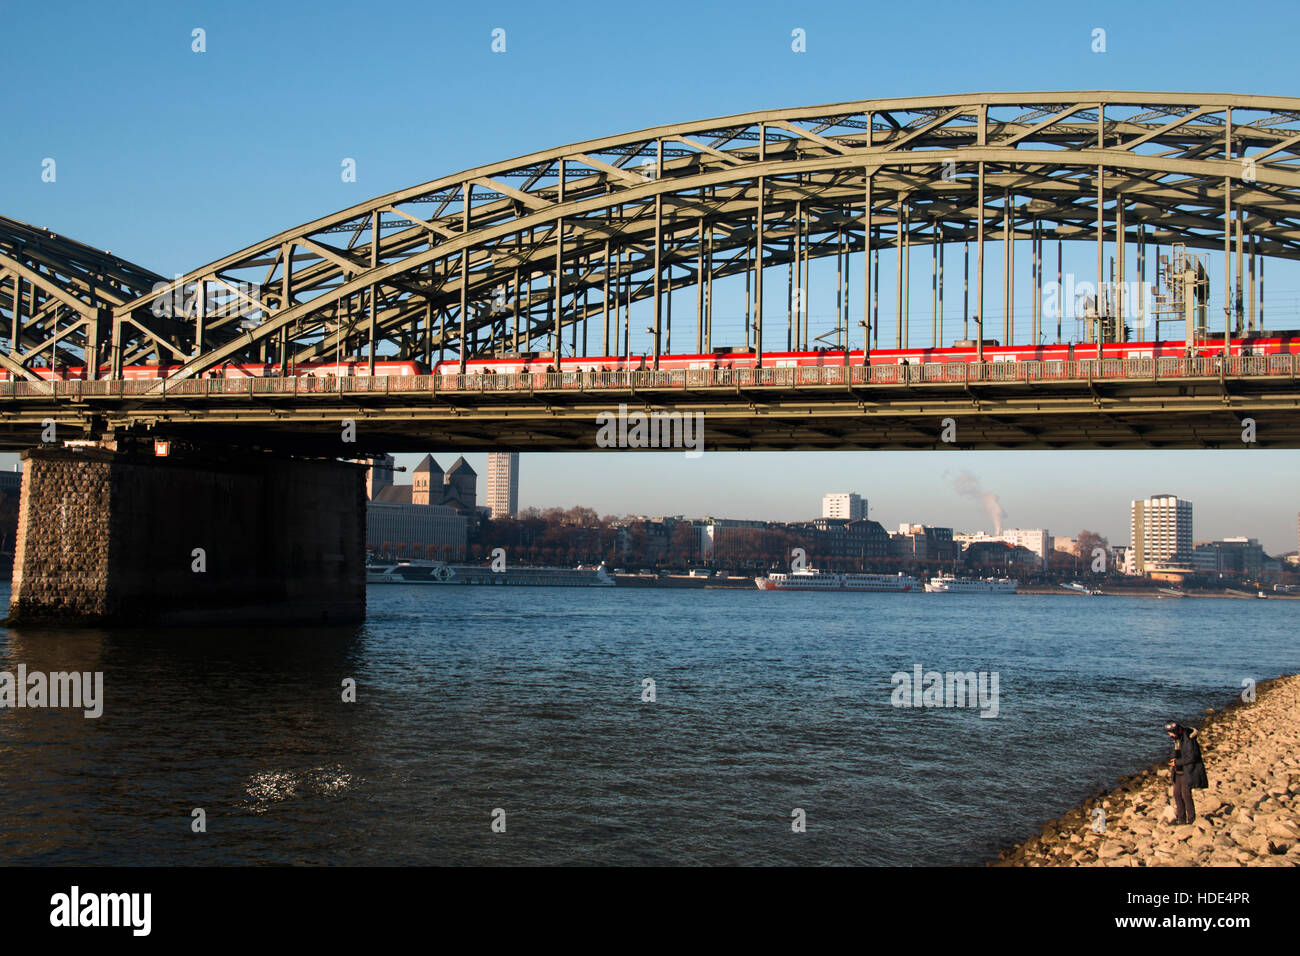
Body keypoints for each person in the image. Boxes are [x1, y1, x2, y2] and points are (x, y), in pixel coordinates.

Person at [1165, 720, 1208, 824]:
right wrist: (1173, 759)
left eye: (1170, 733)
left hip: (1187, 771)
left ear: (1175, 731)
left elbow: (1192, 757)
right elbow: (1177, 752)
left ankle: (1191, 819)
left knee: (1186, 795)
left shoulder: (1188, 739)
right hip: (1178, 771)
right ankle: (1181, 819)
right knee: (1177, 795)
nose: (1169, 735)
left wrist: (1177, 762)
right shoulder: (1177, 738)